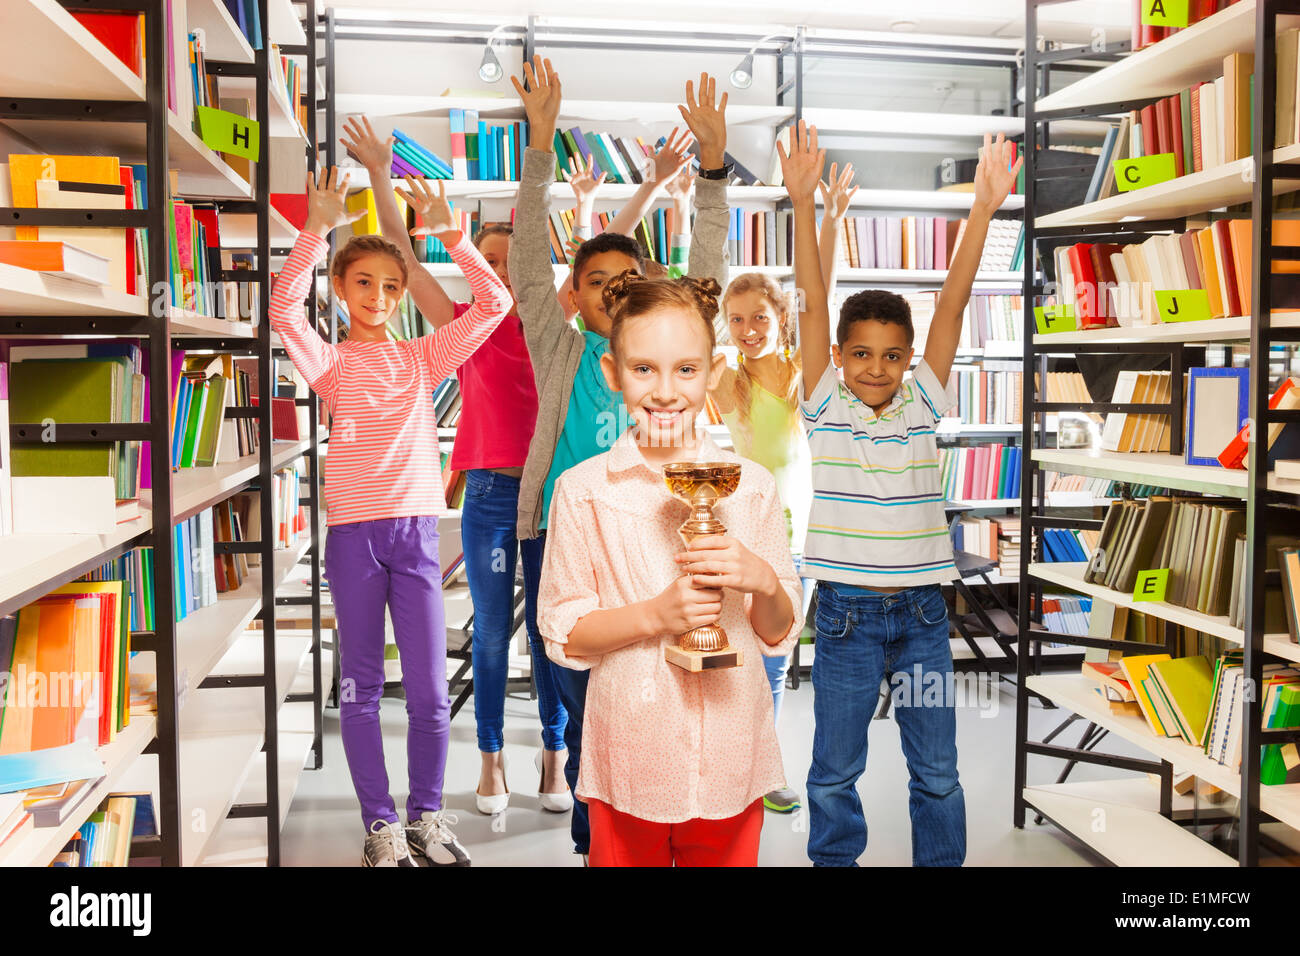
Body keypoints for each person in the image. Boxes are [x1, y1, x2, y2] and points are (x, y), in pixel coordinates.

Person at [338, 116, 691, 816]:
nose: (498, 270)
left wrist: (648, 186)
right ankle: (492, 757)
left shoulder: (549, 323)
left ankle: (555, 755)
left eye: (506, 261)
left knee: (552, 633)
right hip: (493, 496)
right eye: (486, 260)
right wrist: (382, 175)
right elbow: (402, 251)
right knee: (494, 634)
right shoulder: (458, 326)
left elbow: (606, 263)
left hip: (557, 496)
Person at [779, 122, 1021, 867]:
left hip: (920, 612)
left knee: (938, 773)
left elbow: (951, 306)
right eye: (860, 354)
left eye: (890, 355)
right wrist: (800, 202)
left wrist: (982, 210)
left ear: (910, 359)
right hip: (847, 614)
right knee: (834, 771)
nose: (875, 368)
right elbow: (815, 299)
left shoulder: (923, 403)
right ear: (836, 358)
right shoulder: (824, 404)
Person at [508, 55, 730, 860]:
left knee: (662, 687)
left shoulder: (664, 354)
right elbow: (528, 260)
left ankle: (672, 816)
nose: (611, 289)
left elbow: (704, 280)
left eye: (626, 278)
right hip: (563, 539)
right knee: (581, 691)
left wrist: (711, 173)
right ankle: (597, 831)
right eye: (595, 280)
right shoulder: (560, 351)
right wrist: (540, 143)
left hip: (659, 529)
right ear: (576, 295)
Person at [270, 167, 511, 867]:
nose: (379, 296)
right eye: (364, 283)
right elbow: (284, 311)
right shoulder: (332, 363)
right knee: (362, 688)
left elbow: (491, 305)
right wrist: (317, 224)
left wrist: (451, 236)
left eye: (392, 286)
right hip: (352, 538)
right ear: (342, 291)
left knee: (431, 692)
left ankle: (426, 817)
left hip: (413, 533)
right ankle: (380, 827)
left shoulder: (420, 358)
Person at [537, 271, 802, 866]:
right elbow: (563, 631)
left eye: (686, 370)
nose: (664, 391)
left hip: (733, 754)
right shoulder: (581, 492)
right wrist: (657, 615)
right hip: (631, 754)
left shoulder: (751, 487)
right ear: (612, 373)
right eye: (643, 370)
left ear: (712, 371)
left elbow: (776, 629)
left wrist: (761, 577)